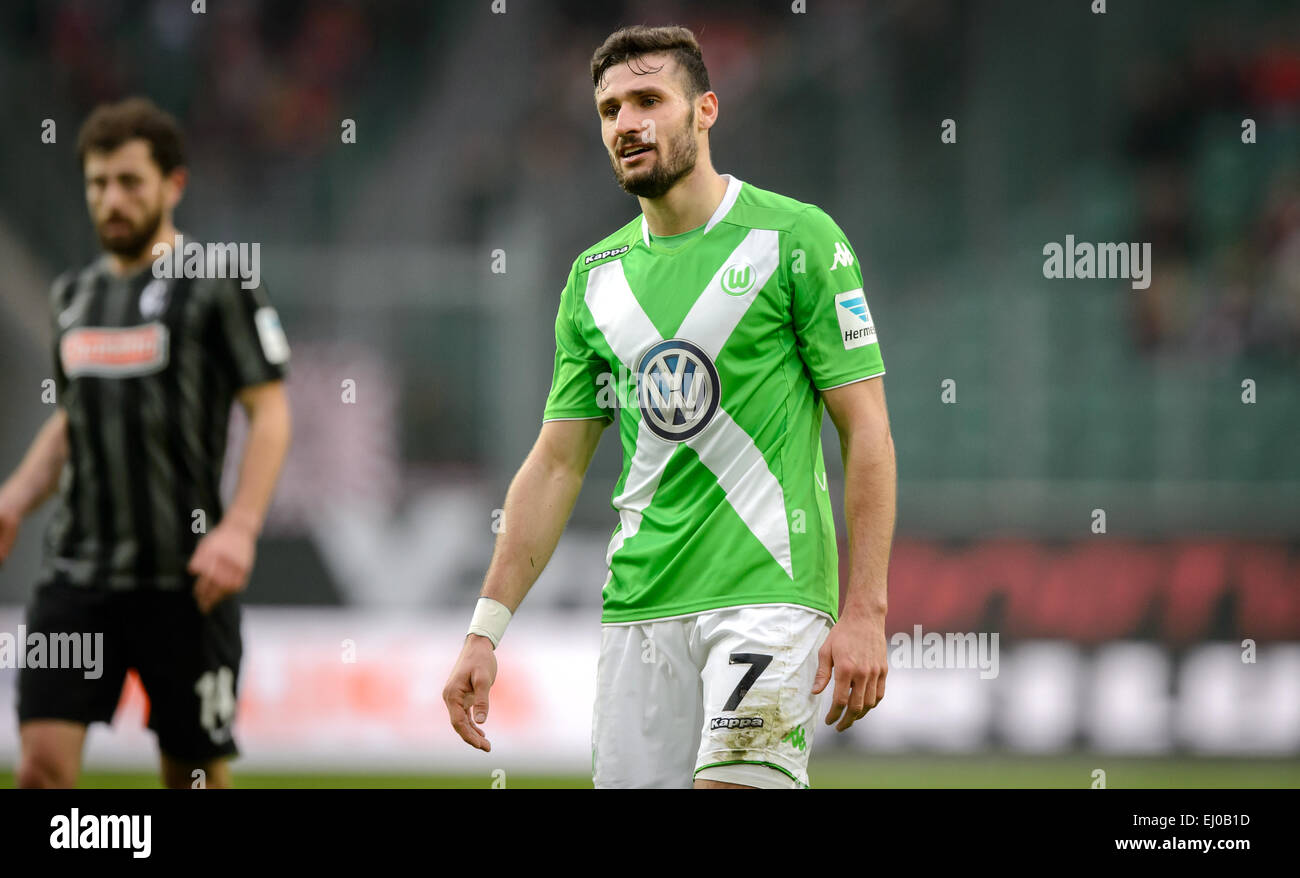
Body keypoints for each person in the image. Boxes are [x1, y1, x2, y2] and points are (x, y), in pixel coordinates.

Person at [443, 25, 895, 788]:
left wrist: (867, 611)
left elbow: (867, 429)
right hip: (639, 607)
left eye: (649, 100)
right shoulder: (594, 280)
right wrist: (485, 632)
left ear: (706, 110)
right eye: (610, 108)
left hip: (768, 596)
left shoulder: (796, 239)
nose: (627, 123)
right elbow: (555, 465)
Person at [0, 97, 292, 789]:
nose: (112, 199)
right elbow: (74, 419)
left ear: (173, 185)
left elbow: (270, 411)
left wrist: (240, 530)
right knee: (40, 769)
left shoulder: (221, 281)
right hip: (77, 575)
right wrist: (12, 499)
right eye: (98, 183)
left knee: (191, 775)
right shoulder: (73, 295)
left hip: (184, 581)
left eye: (130, 181)